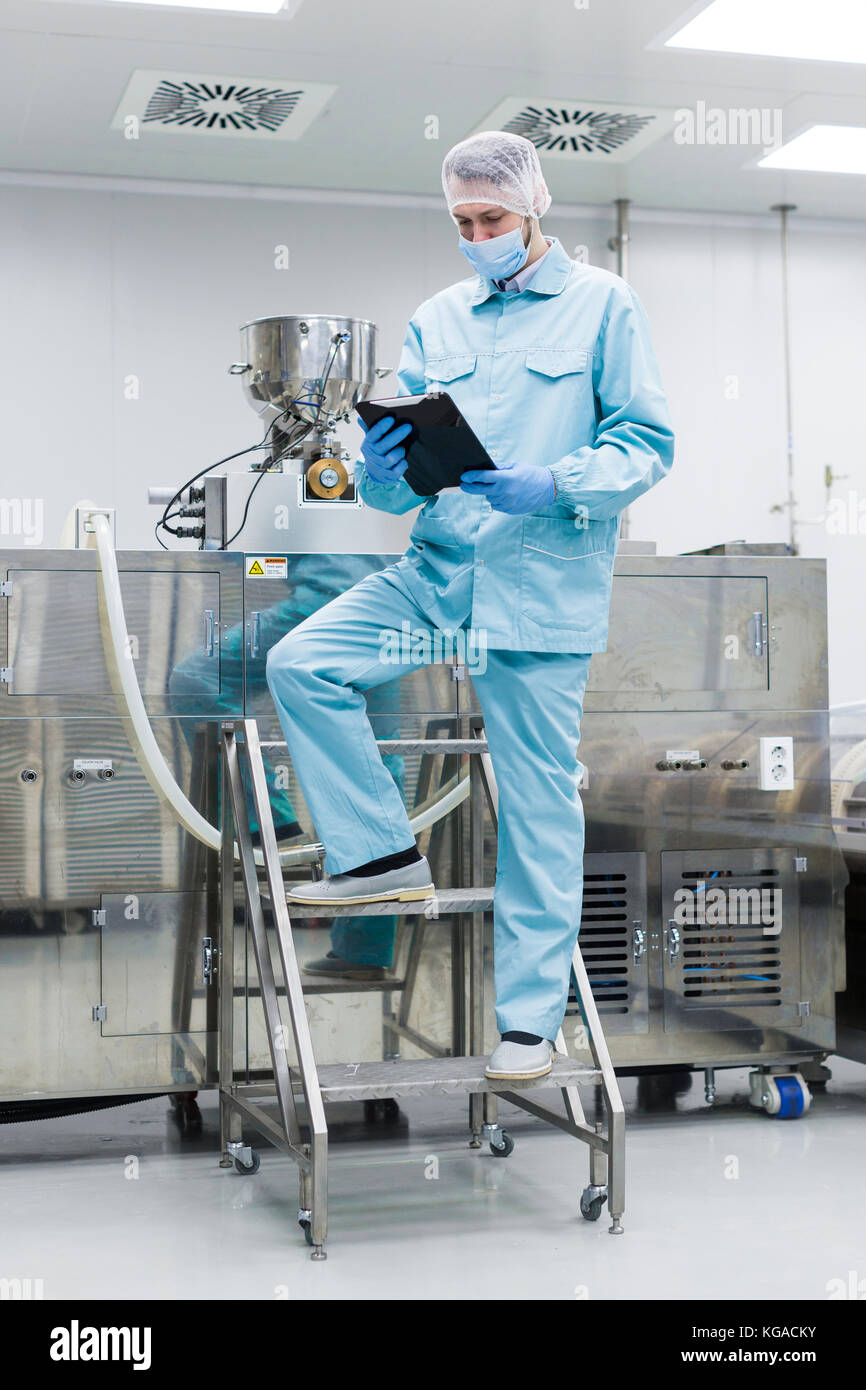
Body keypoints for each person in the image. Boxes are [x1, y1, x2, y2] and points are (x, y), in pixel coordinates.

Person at [266, 130, 674, 1081]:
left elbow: (647, 444)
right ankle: (378, 856)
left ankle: (530, 1021)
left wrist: (560, 480)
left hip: (540, 586)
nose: (477, 233)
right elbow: (397, 493)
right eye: (462, 221)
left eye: (491, 218)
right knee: (303, 662)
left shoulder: (604, 305)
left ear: (534, 209)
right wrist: (382, 471)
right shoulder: (437, 316)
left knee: (535, 804)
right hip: (440, 575)